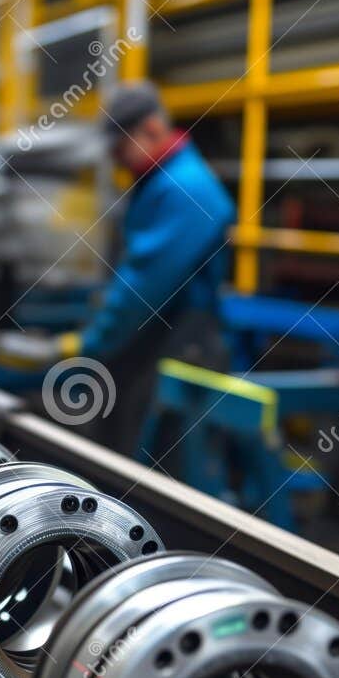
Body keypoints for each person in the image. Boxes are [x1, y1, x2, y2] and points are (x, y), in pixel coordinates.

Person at [53, 83, 236, 456]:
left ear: (151, 129)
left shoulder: (185, 190)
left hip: (177, 349)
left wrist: (87, 344)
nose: (117, 161)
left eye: (120, 148)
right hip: (157, 343)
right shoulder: (161, 181)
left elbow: (143, 289)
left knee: (154, 469)